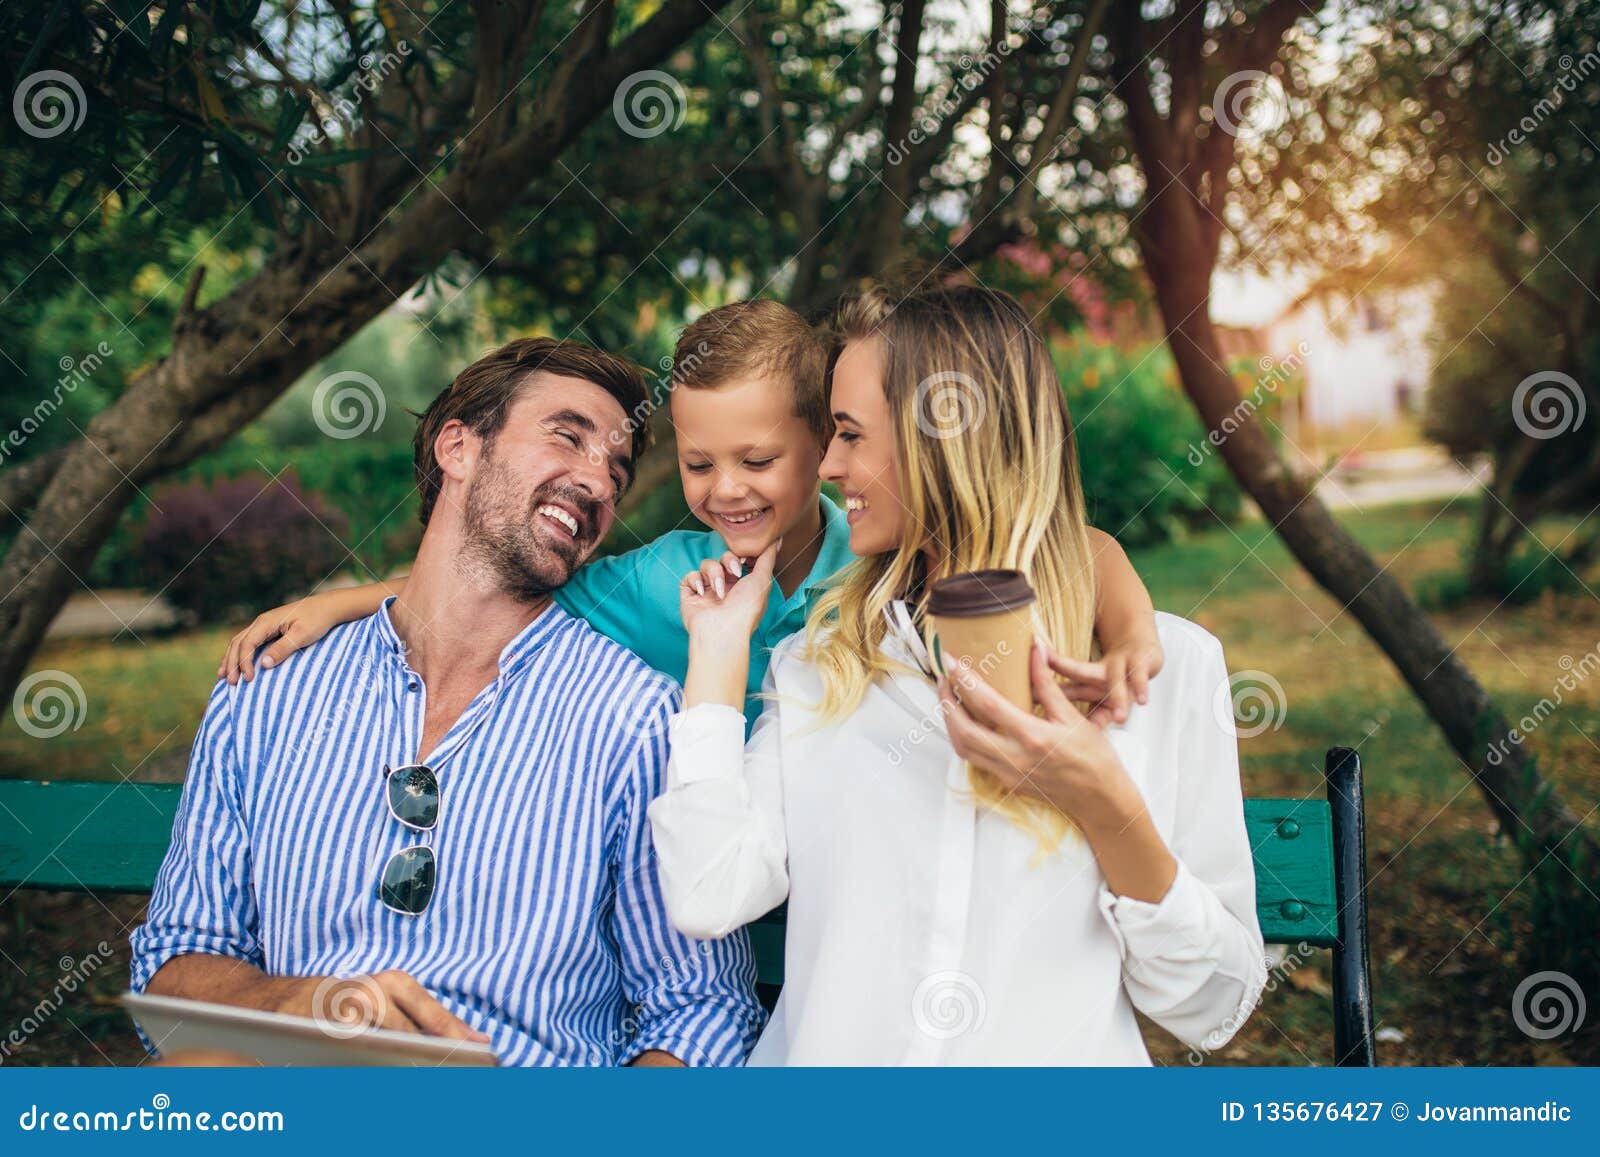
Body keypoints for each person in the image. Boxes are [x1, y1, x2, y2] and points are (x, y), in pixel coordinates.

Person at [648, 285, 1269, 1065]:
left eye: (847, 435)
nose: (829, 464)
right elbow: (708, 893)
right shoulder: (818, 664)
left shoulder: (1162, 673)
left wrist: (1105, 806)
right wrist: (715, 654)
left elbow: (1214, 1006)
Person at [129, 338, 763, 1067]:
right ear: (457, 446)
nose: (597, 481)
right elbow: (177, 960)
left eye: (615, 472)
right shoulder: (267, 692)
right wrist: (299, 1004)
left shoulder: (634, 716)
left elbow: (700, 1007)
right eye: (568, 437)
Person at [219, 300, 1166, 731]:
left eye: (758, 460)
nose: (726, 491)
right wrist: (355, 601)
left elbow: (1072, 542)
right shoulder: (656, 582)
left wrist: (1128, 627)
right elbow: (507, 594)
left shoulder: (876, 560)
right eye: (700, 462)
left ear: (821, 441)